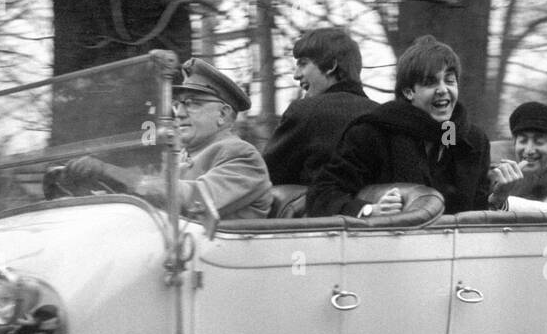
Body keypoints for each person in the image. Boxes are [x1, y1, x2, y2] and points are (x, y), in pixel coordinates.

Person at [63, 58, 272, 223]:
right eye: (177, 104)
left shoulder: (241, 155)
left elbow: (193, 200)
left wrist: (109, 172)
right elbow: (151, 190)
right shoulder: (180, 154)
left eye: (191, 104)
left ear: (223, 115)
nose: (178, 113)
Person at [305, 35, 491, 218]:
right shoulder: (372, 133)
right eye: (430, 82)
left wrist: (498, 197)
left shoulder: (471, 140)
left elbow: (476, 211)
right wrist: (371, 210)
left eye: (450, 81)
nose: (443, 89)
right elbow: (322, 193)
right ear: (409, 92)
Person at [262, 27, 375, 186]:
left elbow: (265, 177)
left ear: (331, 66)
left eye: (303, 64)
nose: (296, 75)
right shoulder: (383, 115)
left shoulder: (304, 112)